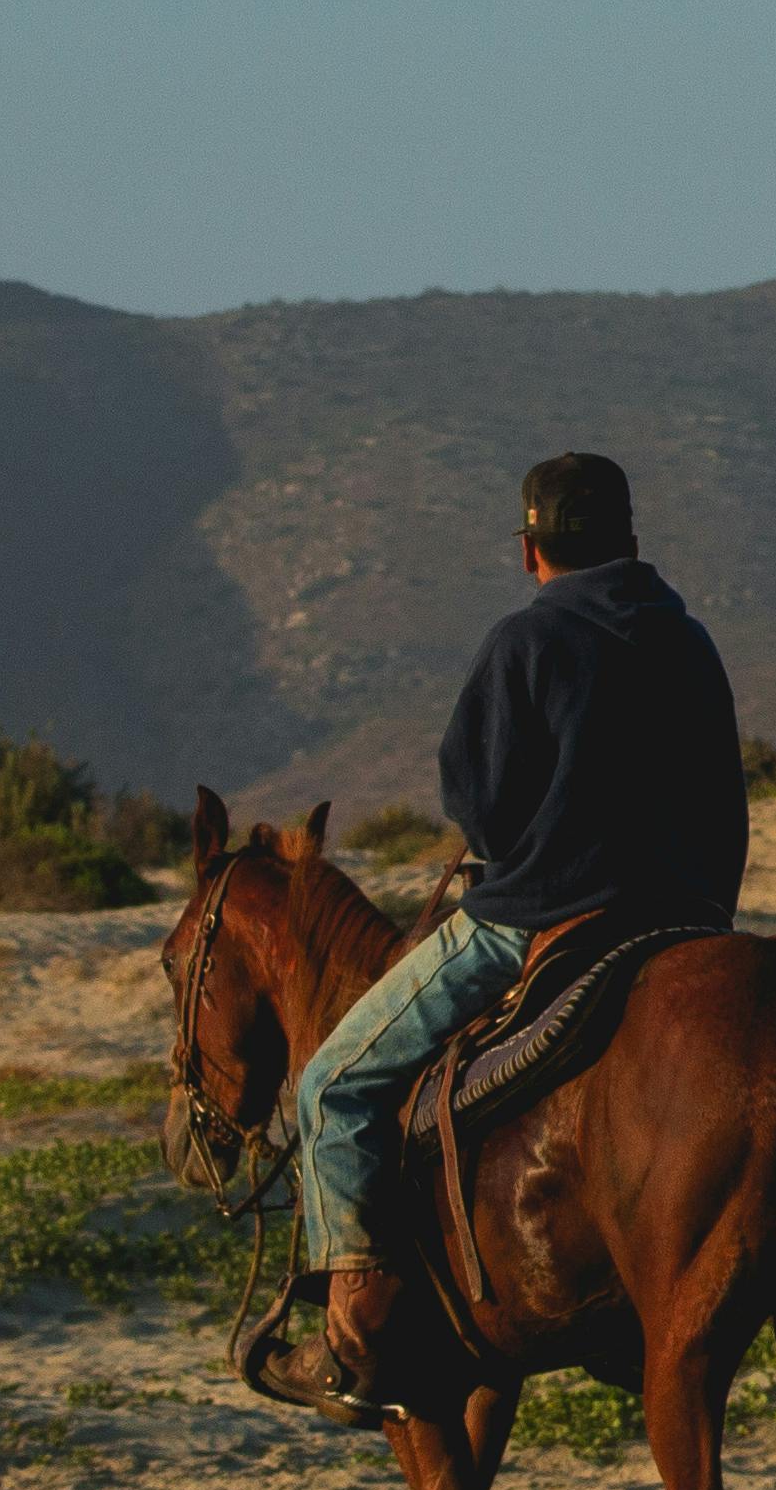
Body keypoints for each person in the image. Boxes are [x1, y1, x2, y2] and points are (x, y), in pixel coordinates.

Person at [256, 451, 747, 1415]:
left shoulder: (526, 641)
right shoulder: (691, 640)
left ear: (531, 553)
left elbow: (477, 802)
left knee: (333, 1085)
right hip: (691, 921)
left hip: (538, 922)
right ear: (633, 544)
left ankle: (352, 1332)